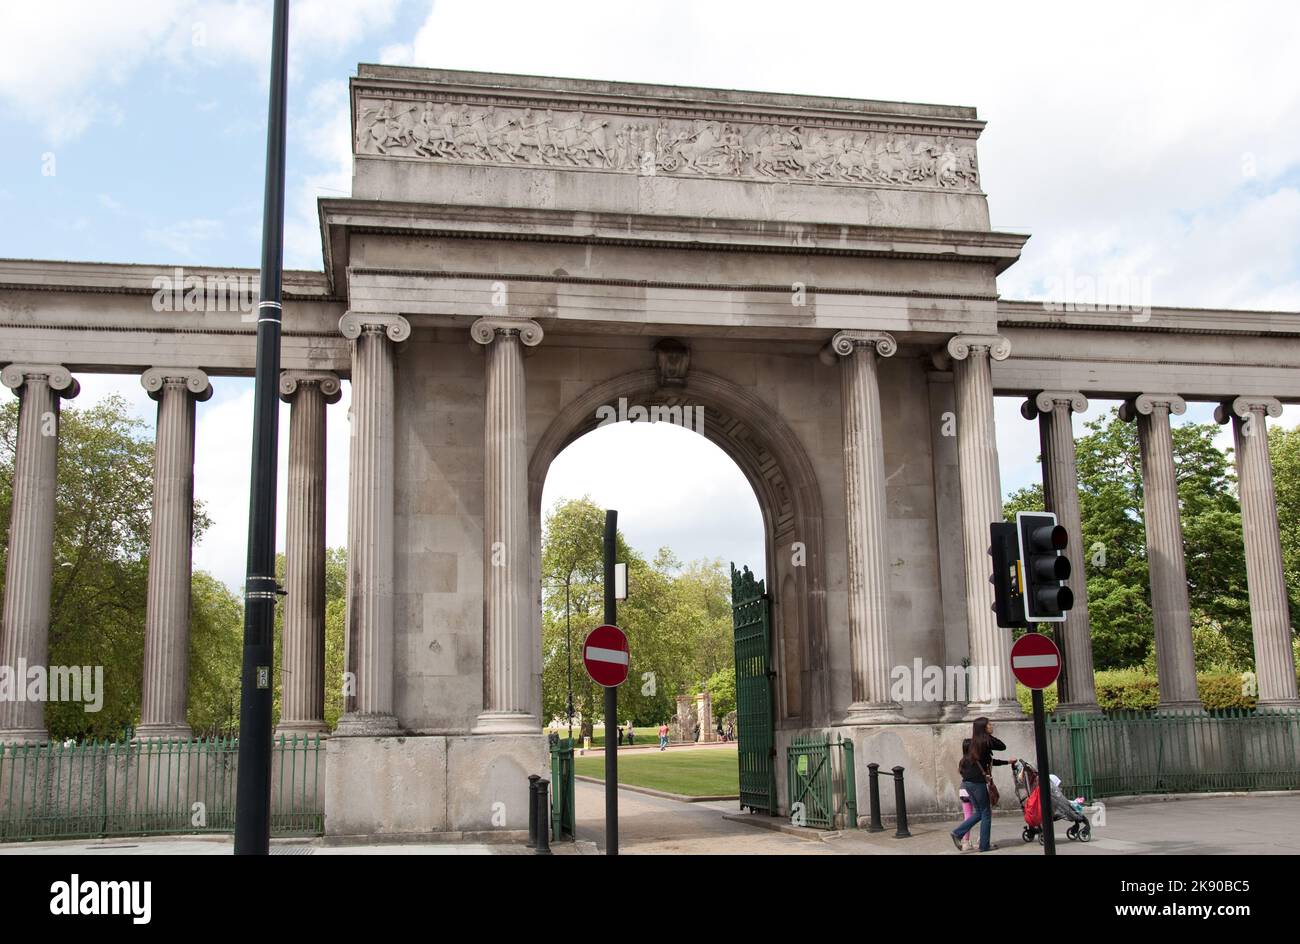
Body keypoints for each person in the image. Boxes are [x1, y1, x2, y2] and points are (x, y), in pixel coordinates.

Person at [950, 717, 1013, 853]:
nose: (992, 725)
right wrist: (988, 735)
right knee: (986, 813)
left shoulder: (974, 744)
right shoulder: (986, 741)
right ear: (983, 727)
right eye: (989, 724)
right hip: (977, 782)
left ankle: (958, 833)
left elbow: (989, 761)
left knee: (979, 812)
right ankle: (983, 845)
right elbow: (1002, 746)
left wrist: (1007, 762)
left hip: (968, 782)